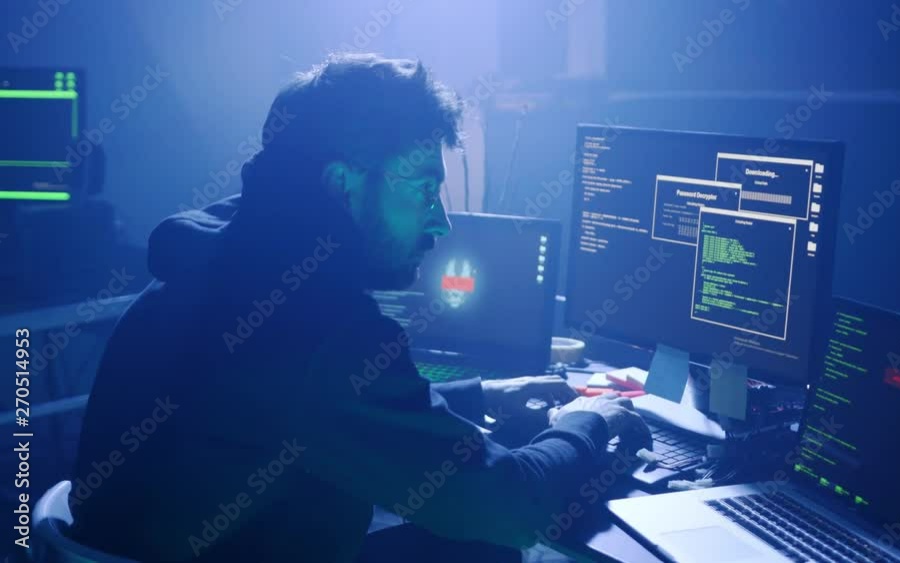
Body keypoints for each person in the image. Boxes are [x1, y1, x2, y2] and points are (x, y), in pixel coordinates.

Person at [70, 53, 649, 562]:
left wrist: (479, 396)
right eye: (423, 188)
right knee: (488, 538)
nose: (440, 220)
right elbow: (508, 504)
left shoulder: (222, 256)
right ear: (342, 183)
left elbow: (297, 410)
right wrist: (586, 424)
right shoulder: (318, 327)